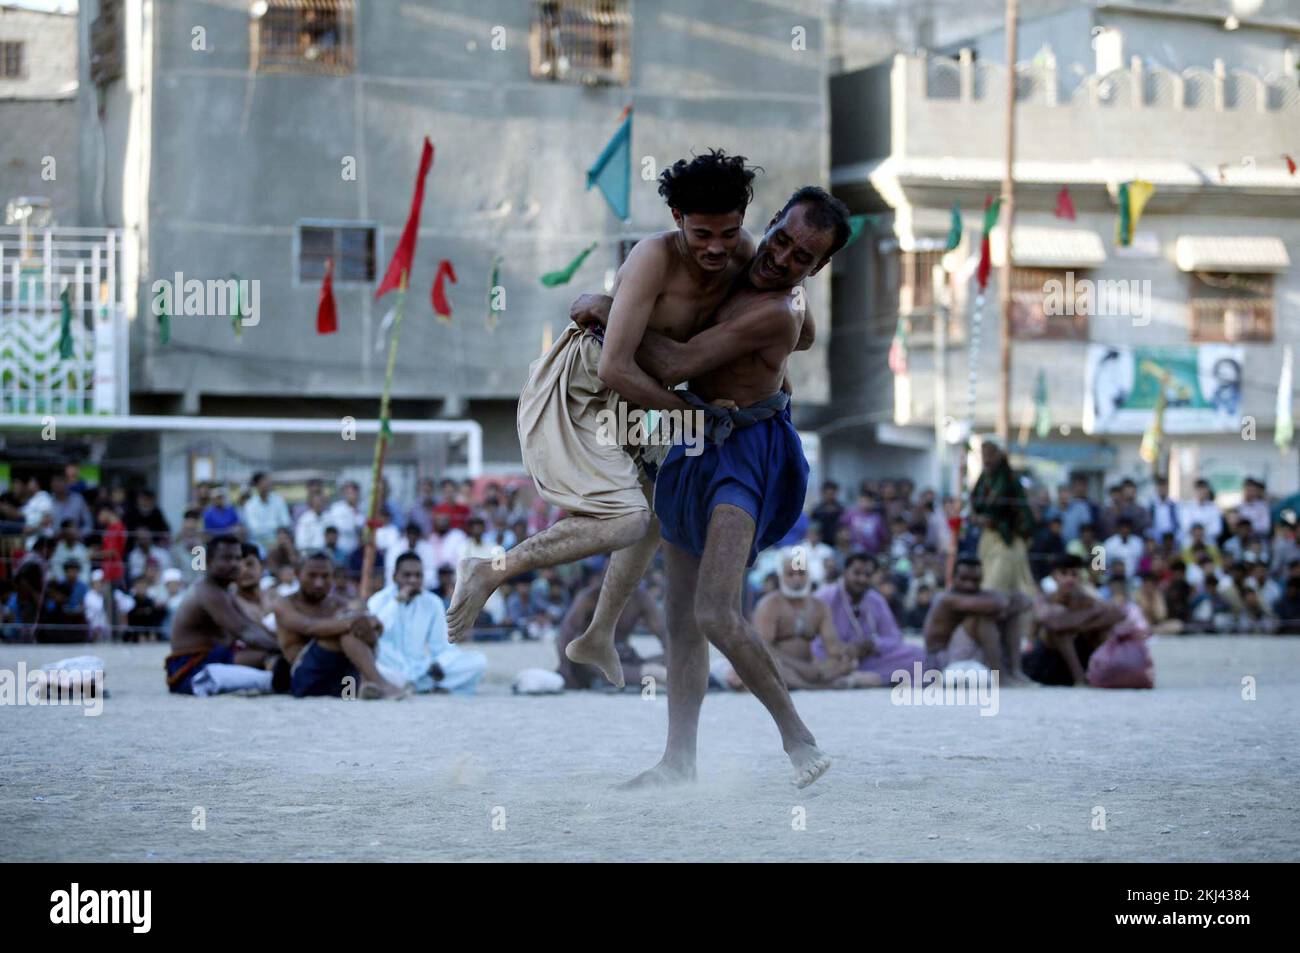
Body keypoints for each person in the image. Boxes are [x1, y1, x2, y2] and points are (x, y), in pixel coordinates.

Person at [446, 150, 766, 680]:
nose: (716, 247)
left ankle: (598, 634)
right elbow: (616, 367)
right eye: (703, 233)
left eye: (728, 233)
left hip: (642, 392)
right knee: (625, 520)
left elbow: (784, 328)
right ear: (677, 219)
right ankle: (488, 570)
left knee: (654, 511)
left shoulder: (745, 253)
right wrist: (692, 411)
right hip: (582, 387)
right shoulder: (652, 257)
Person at [613, 188, 852, 787]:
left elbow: (673, 366)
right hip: (696, 441)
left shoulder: (778, 308)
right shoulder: (742, 253)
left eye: (801, 257)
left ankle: (800, 740)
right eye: (782, 239)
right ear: (770, 223)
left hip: (749, 450)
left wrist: (612, 312)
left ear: (816, 269)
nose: (782, 257)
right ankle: (678, 762)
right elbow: (810, 338)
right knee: (681, 622)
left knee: (717, 612)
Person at [274, 551, 405, 699]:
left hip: (343, 684)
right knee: (345, 630)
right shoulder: (285, 603)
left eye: (325, 576)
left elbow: (374, 623)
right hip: (306, 682)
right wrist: (352, 622)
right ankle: (380, 684)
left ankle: (366, 684)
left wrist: (370, 624)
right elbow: (309, 627)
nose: (319, 583)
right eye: (312, 576)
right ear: (298, 574)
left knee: (358, 628)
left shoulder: (338, 602)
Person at [165, 535, 284, 694]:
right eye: (227, 558)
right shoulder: (208, 592)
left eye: (237, 558)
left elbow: (251, 626)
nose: (235, 564)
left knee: (271, 657)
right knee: (271, 662)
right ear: (208, 561)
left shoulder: (225, 590)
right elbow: (244, 632)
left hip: (216, 657)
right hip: (191, 668)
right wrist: (284, 648)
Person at [751, 551, 874, 690]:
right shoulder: (769, 604)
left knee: (845, 663)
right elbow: (762, 648)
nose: (796, 579)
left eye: (801, 574)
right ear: (781, 577)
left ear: (808, 576)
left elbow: (832, 647)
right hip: (780, 665)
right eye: (791, 574)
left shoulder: (819, 607)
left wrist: (847, 652)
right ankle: (815, 686)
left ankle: (812, 683)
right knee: (770, 667)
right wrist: (800, 667)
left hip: (809, 667)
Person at [368, 552, 487, 694]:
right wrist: (397, 602)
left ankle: (416, 684)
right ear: (395, 577)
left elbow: (441, 646)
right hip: (392, 665)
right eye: (407, 575)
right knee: (376, 658)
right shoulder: (379, 600)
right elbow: (377, 633)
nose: (413, 580)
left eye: (418, 575)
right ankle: (420, 685)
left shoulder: (432, 602)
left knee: (478, 661)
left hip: (423, 669)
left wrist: (439, 664)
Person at [814, 550, 925, 683]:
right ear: (845, 573)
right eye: (857, 573)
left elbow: (894, 638)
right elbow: (811, 639)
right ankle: (866, 678)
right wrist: (841, 651)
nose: (862, 579)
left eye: (867, 575)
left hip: (866, 660)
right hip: (832, 657)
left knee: (918, 655)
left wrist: (873, 644)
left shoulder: (875, 600)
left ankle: (861, 678)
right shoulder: (825, 596)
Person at [555, 565, 668, 690]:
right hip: (595, 659)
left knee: (673, 658)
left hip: (626, 657)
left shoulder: (641, 598)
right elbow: (566, 633)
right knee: (588, 659)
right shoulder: (589, 598)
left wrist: (672, 659)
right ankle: (650, 675)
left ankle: (648, 675)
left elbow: (663, 634)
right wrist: (564, 666)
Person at [1022, 554, 1127, 686]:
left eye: (1074, 574)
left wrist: (1080, 623)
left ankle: (1106, 673)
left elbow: (1118, 613)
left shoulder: (1086, 599)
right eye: (1064, 574)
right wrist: (1088, 616)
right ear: (1054, 577)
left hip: (1081, 656)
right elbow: (1053, 622)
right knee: (1059, 625)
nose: (1069, 579)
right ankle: (1079, 679)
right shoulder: (1044, 599)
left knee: (1104, 629)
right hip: (1047, 662)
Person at [923, 556, 1032, 681]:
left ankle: (1015, 671)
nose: (969, 585)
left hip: (971, 658)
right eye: (964, 579)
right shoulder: (946, 599)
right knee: (982, 619)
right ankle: (1000, 678)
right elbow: (999, 603)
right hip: (945, 663)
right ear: (953, 577)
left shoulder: (980, 595)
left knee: (1010, 616)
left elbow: (1022, 601)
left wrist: (1010, 605)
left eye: (975, 580)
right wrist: (1010, 604)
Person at [969, 439, 1038, 597]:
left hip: (1008, 539)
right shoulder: (983, 480)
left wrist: (996, 521)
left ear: (999, 455)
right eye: (984, 454)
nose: (987, 459)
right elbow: (975, 504)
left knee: (998, 584)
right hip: (988, 538)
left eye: (990, 454)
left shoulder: (1009, 480)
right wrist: (977, 518)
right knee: (986, 576)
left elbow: (1019, 512)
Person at [242, 472, 291, 552]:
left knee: (284, 543)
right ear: (257, 485)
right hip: (259, 541)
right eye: (264, 481)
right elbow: (255, 529)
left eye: (268, 481)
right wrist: (276, 528)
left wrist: (278, 531)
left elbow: (286, 522)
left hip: (279, 538)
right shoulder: (250, 505)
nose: (268, 484)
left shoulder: (278, 500)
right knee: (277, 547)